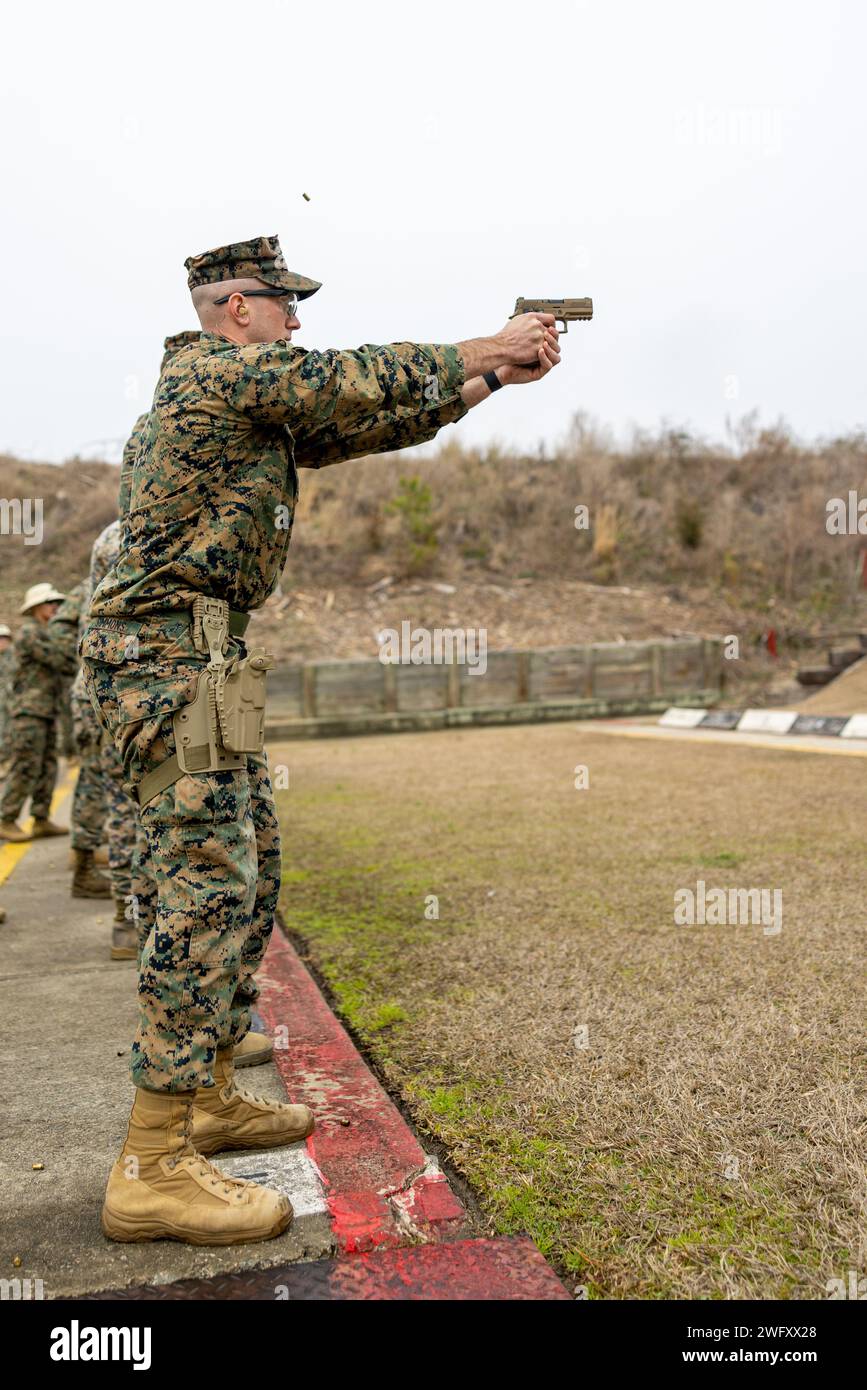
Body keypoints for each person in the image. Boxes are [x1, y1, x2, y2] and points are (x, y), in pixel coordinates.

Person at [81, 233, 561, 1246]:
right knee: (206, 886)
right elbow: (345, 380)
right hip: (167, 664)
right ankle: (150, 1162)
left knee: (249, 875)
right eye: (283, 303)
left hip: (206, 663)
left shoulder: (238, 397)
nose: (298, 317)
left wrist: (485, 381)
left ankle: (205, 1089)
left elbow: (359, 421)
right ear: (235, 308)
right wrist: (489, 337)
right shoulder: (215, 375)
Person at [0, 584, 78, 842]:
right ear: (35, 608)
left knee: (47, 766)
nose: (55, 607)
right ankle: (6, 818)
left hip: (46, 709)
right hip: (29, 711)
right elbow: (63, 660)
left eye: (57, 603)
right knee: (26, 766)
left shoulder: (45, 633)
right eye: (49, 603)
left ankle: (41, 818)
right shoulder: (29, 633)